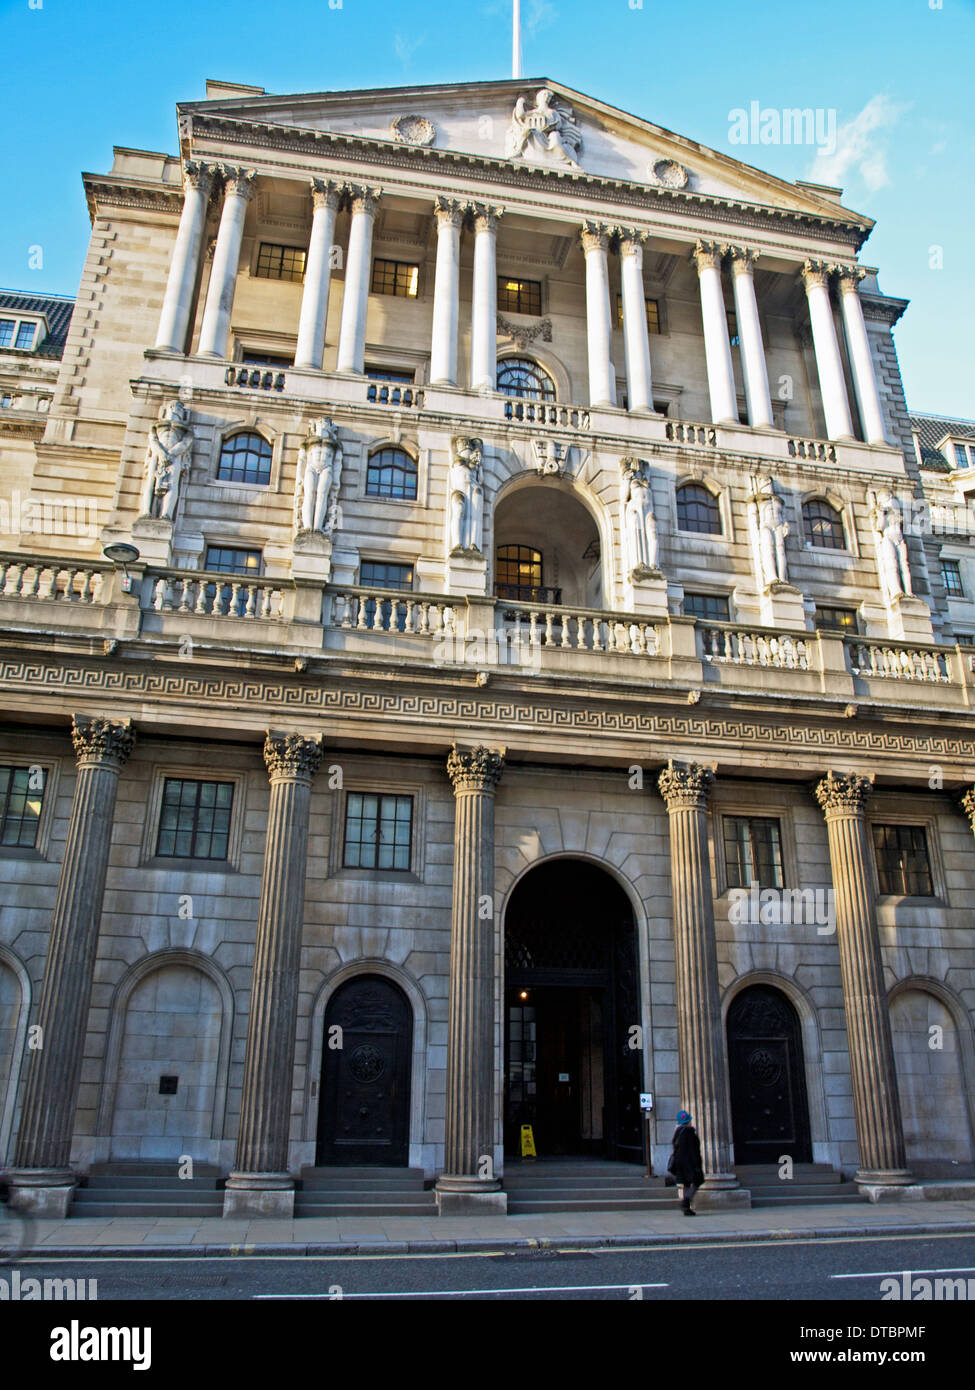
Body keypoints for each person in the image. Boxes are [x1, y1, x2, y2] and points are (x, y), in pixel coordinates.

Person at [669, 1109, 704, 1216]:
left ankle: (686, 1208)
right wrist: (697, 1165)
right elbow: (694, 1151)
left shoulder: (677, 1132)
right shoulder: (689, 1132)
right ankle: (686, 1202)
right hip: (689, 1163)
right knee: (698, 1181)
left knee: (686, 1184)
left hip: (679, 1162)